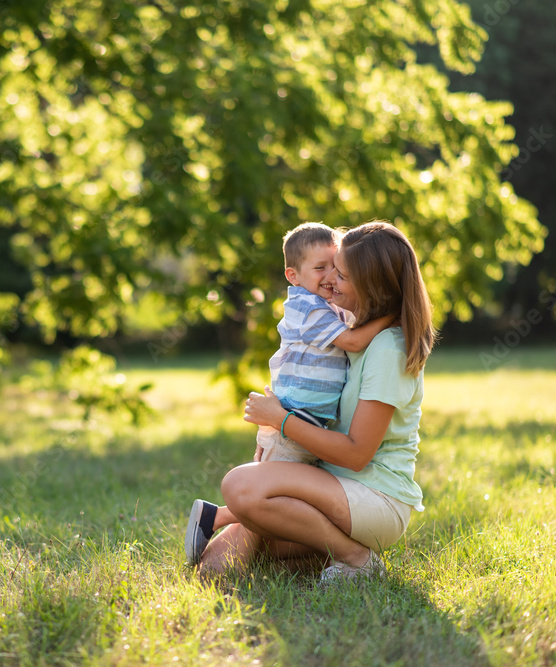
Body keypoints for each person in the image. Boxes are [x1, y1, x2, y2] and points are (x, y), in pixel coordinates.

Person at [184, 221, 435, 583]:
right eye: (331, 269)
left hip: (375, 496)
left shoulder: (387, 349)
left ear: (371, 285)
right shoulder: (346, 330)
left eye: (342, 275)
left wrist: (281, 419)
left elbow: (356, 454)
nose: (332, 280)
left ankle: (356, 558)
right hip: (331, 485)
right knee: (217, 565)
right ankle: (324, 554)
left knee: (240, 487)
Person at [256, 222, 394, 465]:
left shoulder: (329, 306)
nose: (330, 276)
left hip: (309, 422)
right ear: (293, 276)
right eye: (320, 268)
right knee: (271, 489)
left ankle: (221, 506)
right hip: (293, 417)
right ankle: (233, 503)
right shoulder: (305, 306)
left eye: (336, 268)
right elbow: (352, 341)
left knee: (285, 491)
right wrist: (393, 314)